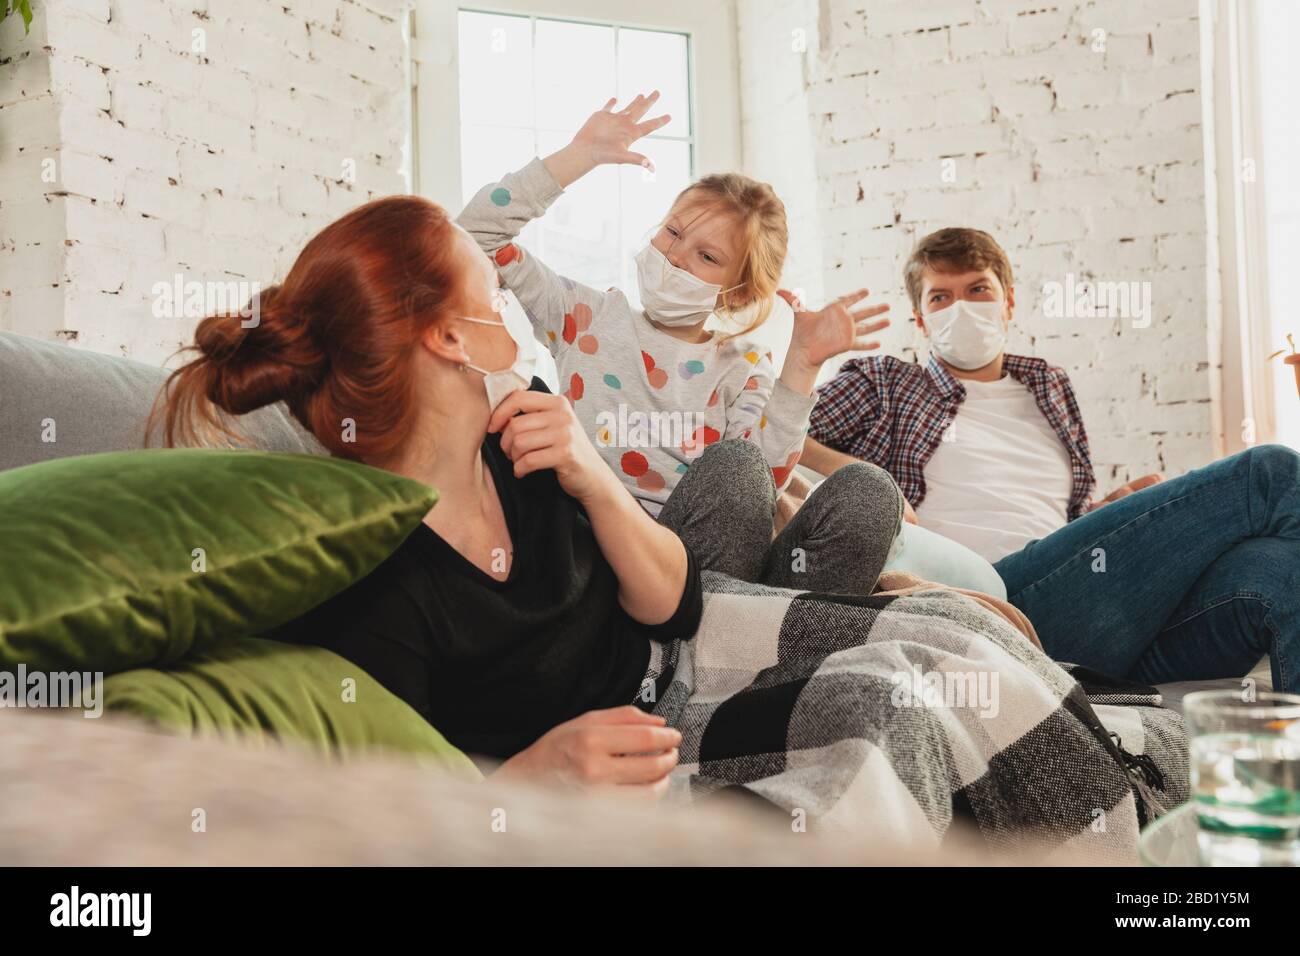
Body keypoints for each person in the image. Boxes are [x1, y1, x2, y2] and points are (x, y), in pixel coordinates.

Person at [146, 190, 1185, 854]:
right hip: (645, 749)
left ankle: (1142, 807)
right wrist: (522, 776)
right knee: (888, 707)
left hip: (681, 647)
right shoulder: (372, 577)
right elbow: (376, 802)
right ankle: (1129, 822)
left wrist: (594, 475)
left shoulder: (525, 442)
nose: (508, 309)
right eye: (484, 293)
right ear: (451, 336)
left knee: (949, 638)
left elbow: (672, 594)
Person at [801, 226, 1300, 693]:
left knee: (1280, 570)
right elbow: (775, 437)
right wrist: (863, 476)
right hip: (990, 605)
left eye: (978, 290)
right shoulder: (884, 383)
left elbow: (1061, 529)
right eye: (940, 297)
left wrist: (1110, 513)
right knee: (1269, 474)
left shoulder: (1049, 389)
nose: (962, 308)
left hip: (1079, 622)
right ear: (920, 319)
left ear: (1008, 301)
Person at [456, 91, 903, 592]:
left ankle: (759, 628)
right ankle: (752, 633)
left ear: (738, 292)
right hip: (612, 563)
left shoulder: (743, 366)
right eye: (672, 232)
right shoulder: (586, 316)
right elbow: (473, 238)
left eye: (707, 257)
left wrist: (800, 363)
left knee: (870, 491)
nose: (673, 256)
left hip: (711, 571)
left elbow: (760, 489)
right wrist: (578, 156)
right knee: (737, 467)